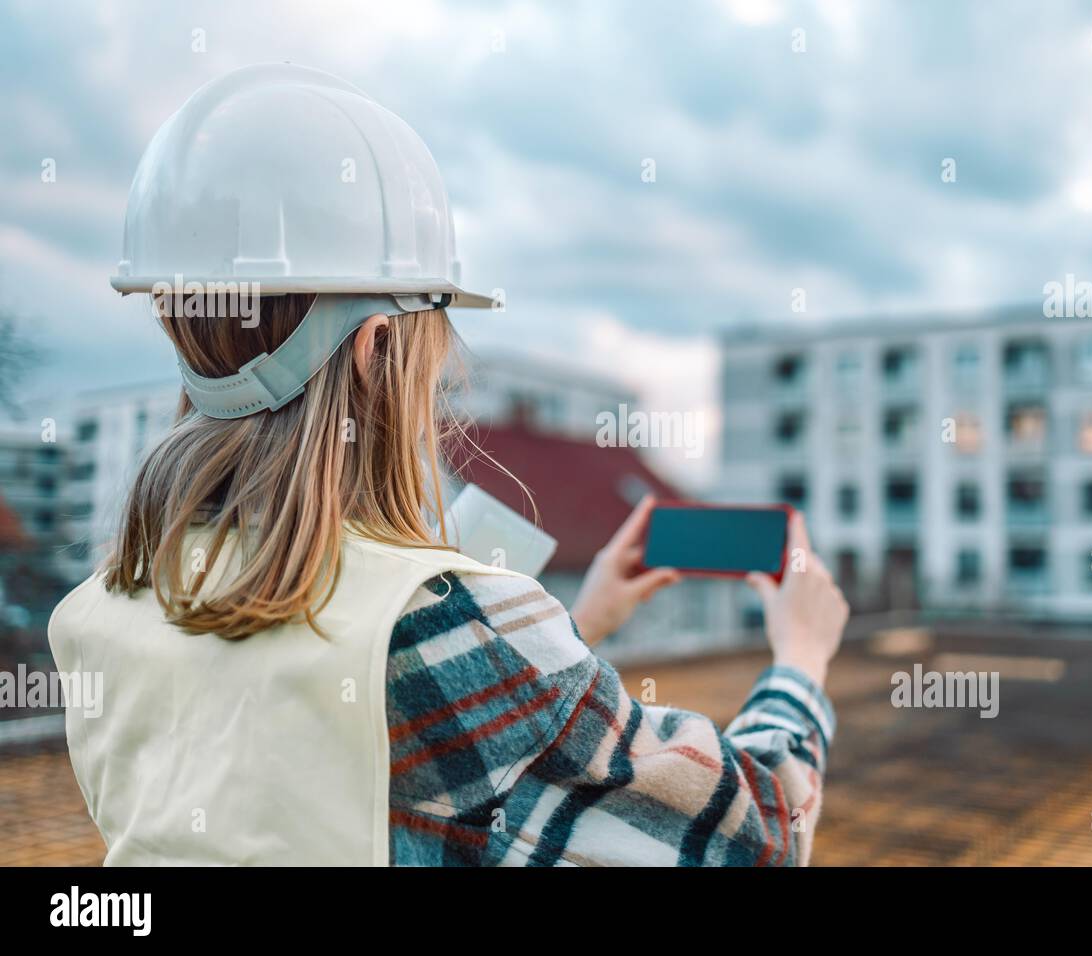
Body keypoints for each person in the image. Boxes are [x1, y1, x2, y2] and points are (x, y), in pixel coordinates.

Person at [48, 64, 848, 866]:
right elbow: (757, 833)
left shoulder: (102, 612)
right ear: (376, 346)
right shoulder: (444, 629)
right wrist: (801, 661)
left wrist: (574, 625)